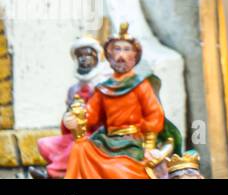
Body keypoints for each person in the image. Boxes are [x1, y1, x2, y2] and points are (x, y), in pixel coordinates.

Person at [65, 24, 180, 179]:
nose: (121, 55)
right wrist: (75, 118)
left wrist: (149, 147)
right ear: (109, 55)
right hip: (107, 141)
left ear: (135, 55)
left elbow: (154, 116)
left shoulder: (140, 85)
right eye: (117, 49)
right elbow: (90, 115)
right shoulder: (104, 88)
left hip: (132, 142)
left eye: (126, 50)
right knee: (80, 149)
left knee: (119, 169)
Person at [35, 37, 108, 178]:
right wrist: (67, 120)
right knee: (45, 144)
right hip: (77, 134)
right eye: (80, 56)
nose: (84, 59)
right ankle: (65, 171)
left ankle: (52, 174)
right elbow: (67, 124)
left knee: (76, 147)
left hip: (98, 136)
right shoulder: (74, 90)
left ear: (97, 57)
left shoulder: (104, 85)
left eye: (88, 55)